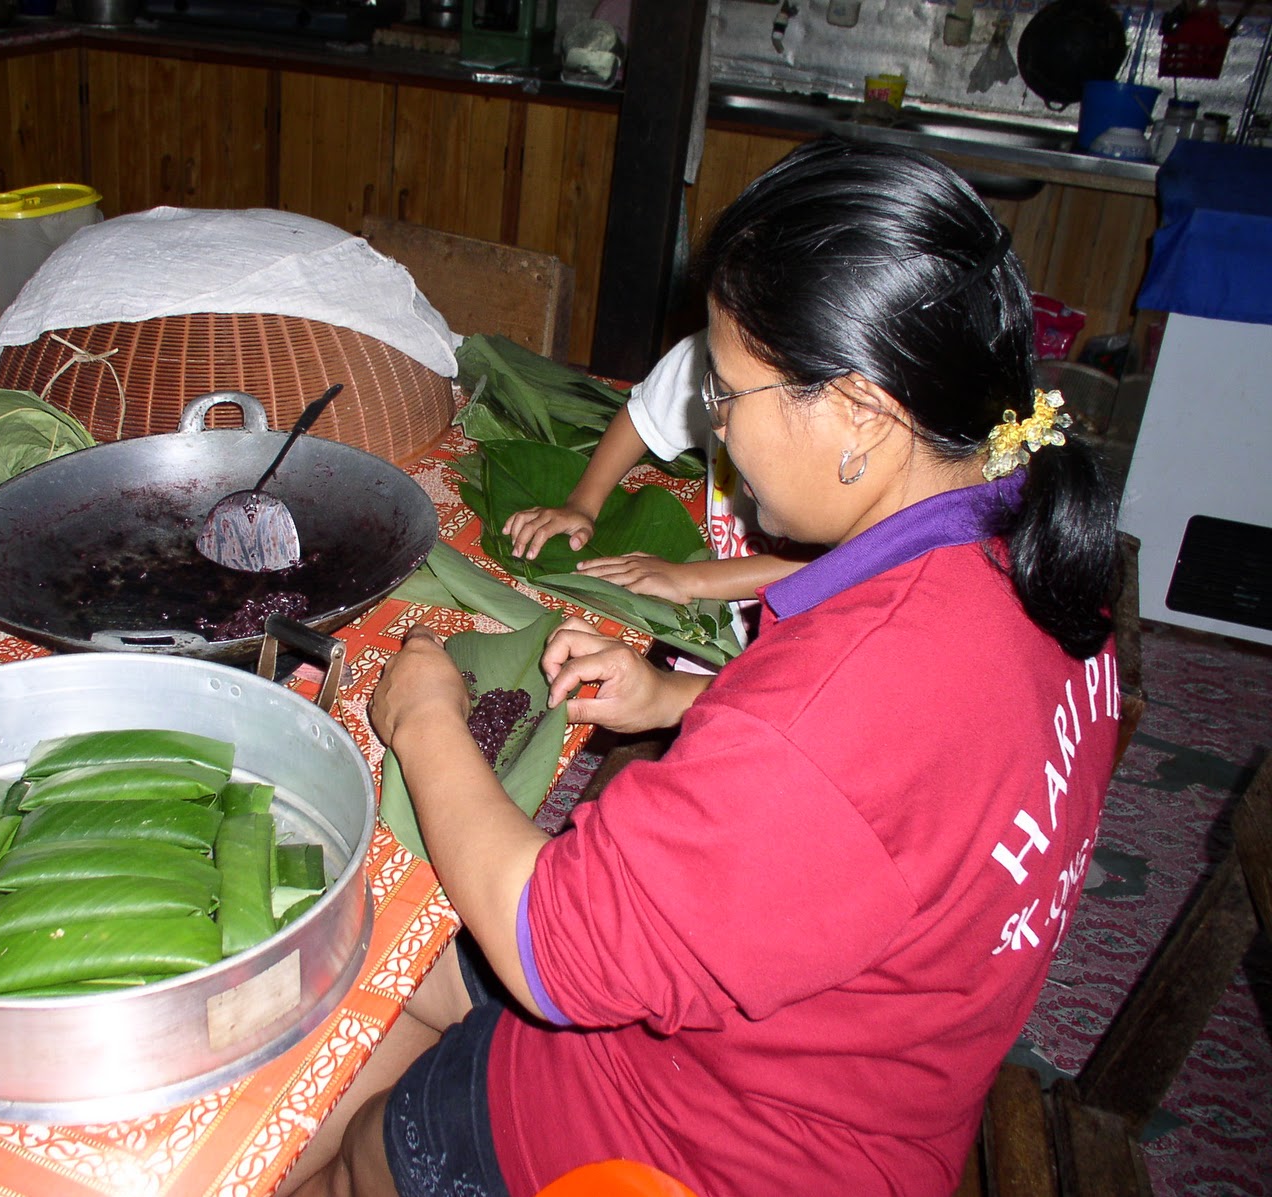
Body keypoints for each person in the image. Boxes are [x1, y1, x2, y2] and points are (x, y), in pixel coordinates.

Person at [283, 138, 1123, 1197]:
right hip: (850, 1051)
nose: (713, 428)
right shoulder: (1030, 552)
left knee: (374, 1135)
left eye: (726, 394)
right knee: (386, 980)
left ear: (860, 411)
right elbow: (895, 799)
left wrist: (423, 718)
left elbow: (550, 953)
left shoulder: (844, 703)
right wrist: (680, 696)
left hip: (704, 1145)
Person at [501, 330, 815, 634]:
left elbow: (844, 565)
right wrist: (583, 503)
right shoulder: (718, 348)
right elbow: (644, 418)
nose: (720, 428)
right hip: (722, 620)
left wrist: (691, 579)